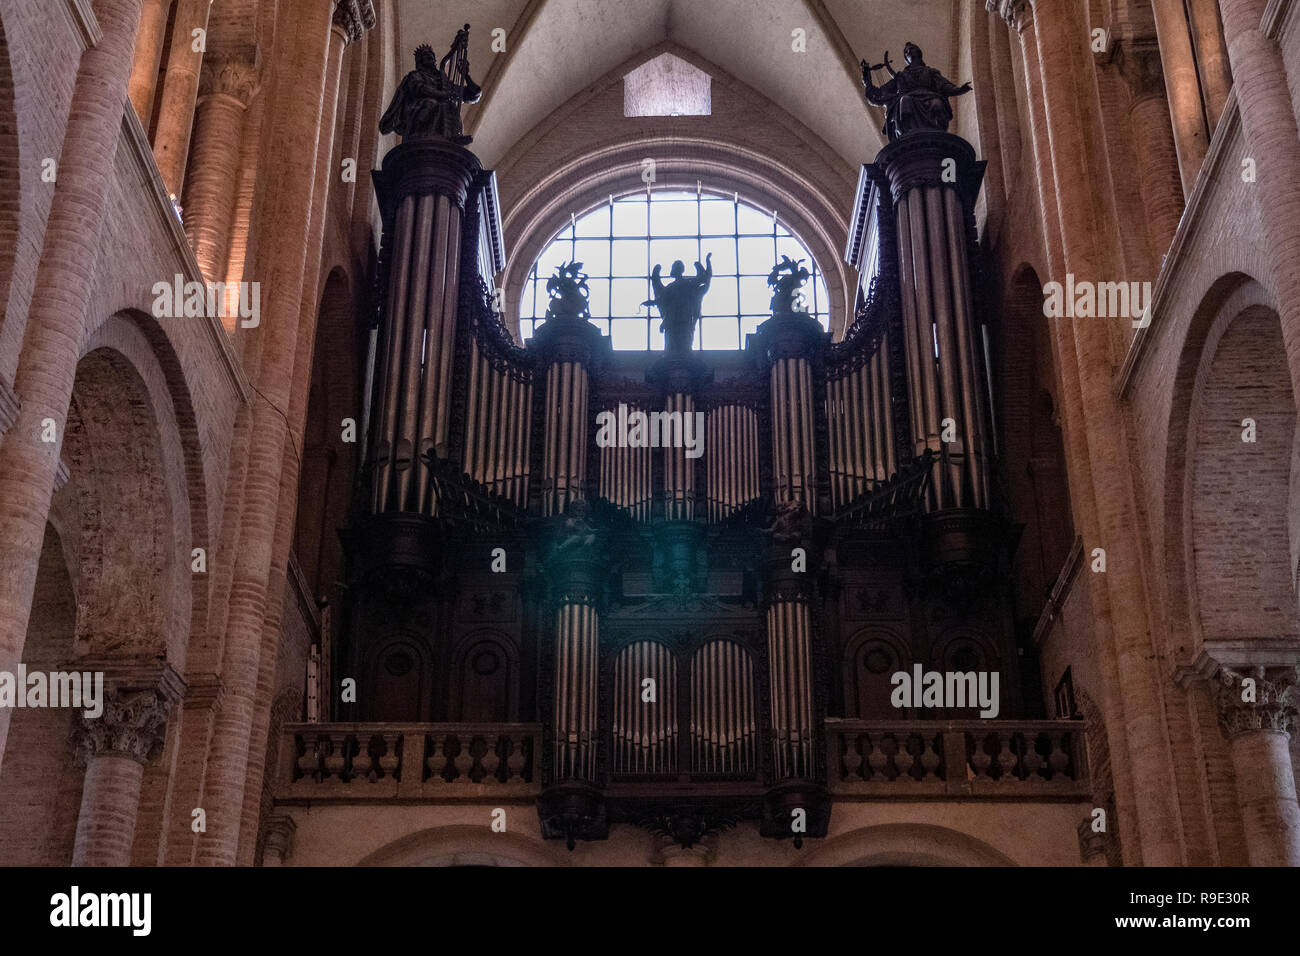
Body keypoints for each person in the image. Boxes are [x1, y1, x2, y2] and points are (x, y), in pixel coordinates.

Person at [861, 42, 971, 141]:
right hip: (910, 99)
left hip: (929, 97)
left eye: (911, 49)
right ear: (906, 58)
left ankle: (937, 133)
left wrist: (959, 90)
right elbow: (879, 93)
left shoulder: (930, 72)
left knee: (937, 103)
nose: (908, 51)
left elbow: (944, 85)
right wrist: (867, 79)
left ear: (918, 52)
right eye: (906, 52)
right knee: (905, 100)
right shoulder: (901, 76)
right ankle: (907, 134)